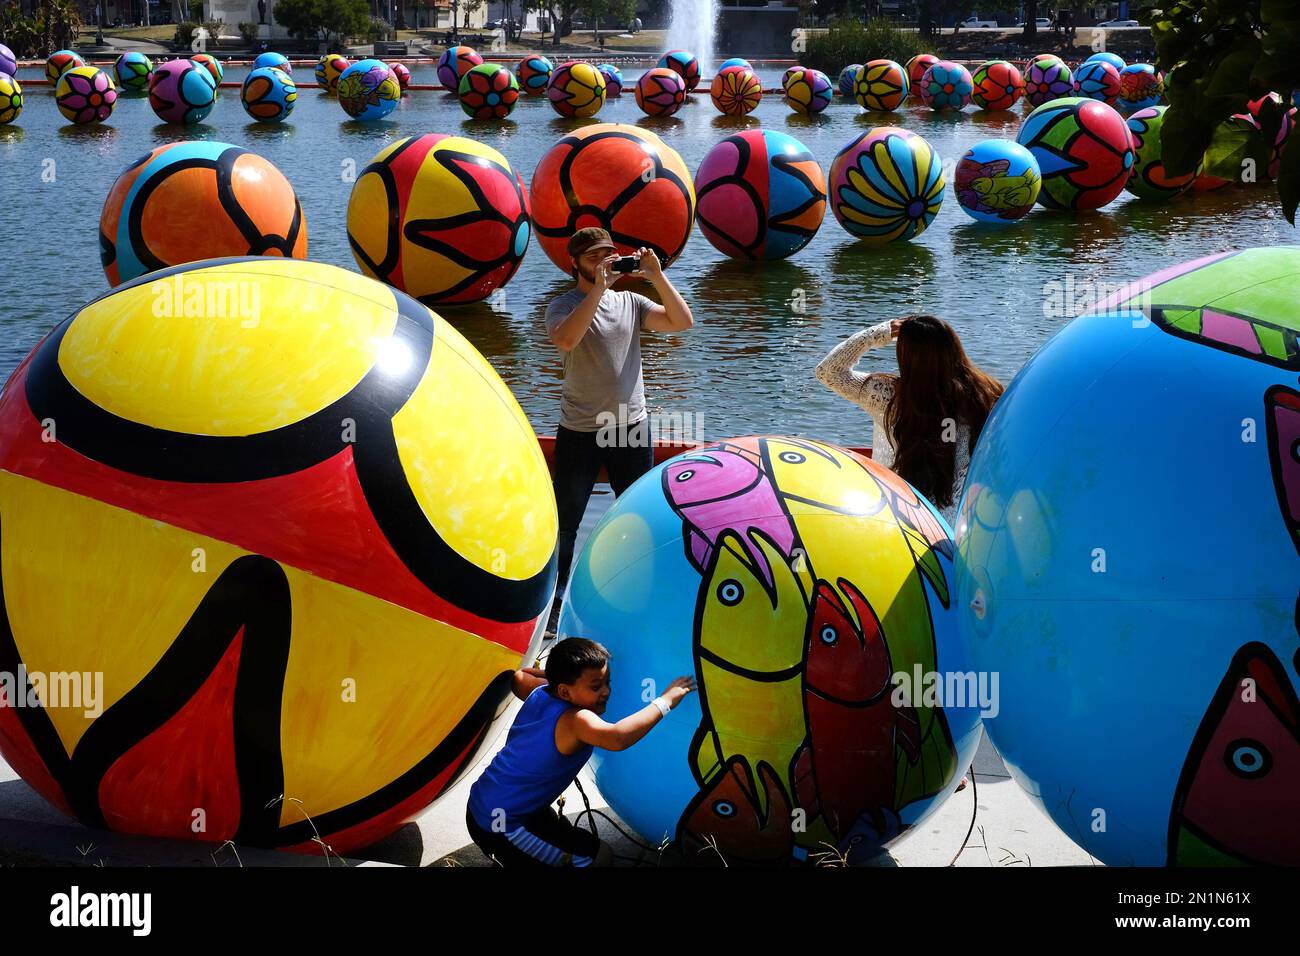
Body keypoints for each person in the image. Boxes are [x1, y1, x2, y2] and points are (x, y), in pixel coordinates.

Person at [543, 227, 693, 634]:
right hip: (580, 429)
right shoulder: (563, 305)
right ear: (574, 263)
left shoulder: (631, 301)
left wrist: (657, 276)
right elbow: (568, 339)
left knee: (637, 515)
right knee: (567, 522)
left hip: (630, 428)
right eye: (594, 258)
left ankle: (638, 595)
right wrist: (597, 289)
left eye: (609, 254)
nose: (605, 262)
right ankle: (554, 605)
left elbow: (682, 322)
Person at [465, 638, 696, 866]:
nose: (606, 691)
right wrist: (666, 700)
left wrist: (559, 677)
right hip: (502, 825)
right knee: (597, 859)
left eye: (608, 682)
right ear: (564, 692)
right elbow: (618, 737)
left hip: (485, 803)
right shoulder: (576, 720)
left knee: (597, 849)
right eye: (596, 686)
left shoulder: (540, 692)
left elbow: (520, 676)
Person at [814, 315, 1004, 526]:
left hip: (901, 521)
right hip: (962, 523)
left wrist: (878, 333)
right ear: (953, 348)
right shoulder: (984, 393)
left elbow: (828, 372)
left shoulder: (888, 396)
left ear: (905, 355)